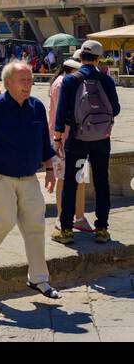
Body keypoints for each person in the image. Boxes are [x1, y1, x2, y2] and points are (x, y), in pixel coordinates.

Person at [0, 59, 61, 299]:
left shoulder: (36, 107)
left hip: (29, 178)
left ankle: (39, 279)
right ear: (7, 83)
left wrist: (50, 170)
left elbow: (43, 144)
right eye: (23, 80)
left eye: (30, 79)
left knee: (36, 226)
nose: (29, 84)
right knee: (3, 220)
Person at [53, 39, 121, 245]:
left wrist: (57, 138)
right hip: (101, 139)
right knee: (102, 182)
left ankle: (66, 230)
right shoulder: (106, 80)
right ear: (99, 58)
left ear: (80, 56)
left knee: (72, 182)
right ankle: (102, 229)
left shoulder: (70, 80)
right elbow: (115, 109)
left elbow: (61, 112)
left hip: (78, 139)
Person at [48, 56, 89, 235]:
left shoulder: (64, 81)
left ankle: (79, 216)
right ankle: (62, 216)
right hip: (63, 139)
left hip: (73, 137)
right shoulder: (62, 84)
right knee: (64, 179)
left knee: (78, 178)